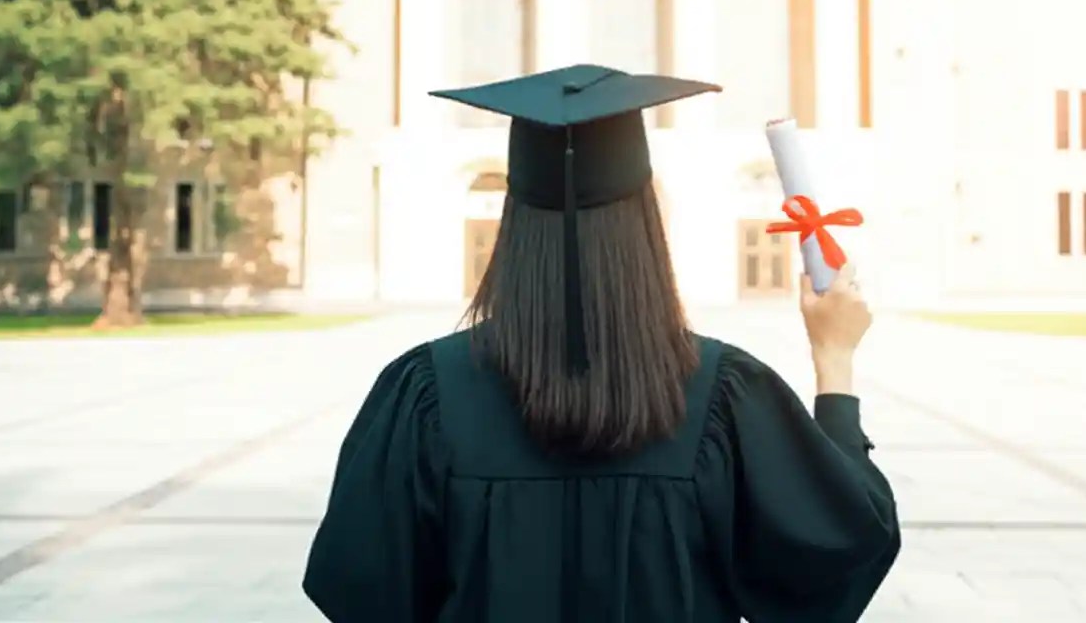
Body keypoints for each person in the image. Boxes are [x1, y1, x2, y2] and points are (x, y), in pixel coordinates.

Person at [302, 65, 900, 622]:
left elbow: (356, 589)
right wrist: (834, 357)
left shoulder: (425, 395)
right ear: (645, 224)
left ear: (513, 224)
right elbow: (836, 561)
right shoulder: (724, 395)